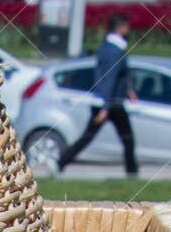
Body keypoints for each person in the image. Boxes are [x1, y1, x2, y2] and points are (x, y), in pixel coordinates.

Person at [57, 14, 138, 177]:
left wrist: (128, 89)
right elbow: (110, 78)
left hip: (108, 101)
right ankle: (132, 173)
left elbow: (120, 75)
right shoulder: (114, 51)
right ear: (120, 27)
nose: (128, 29)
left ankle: (62, 162)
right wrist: (105, 107)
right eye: (126, 26)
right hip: (110, 103)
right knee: (126, 138)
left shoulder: (109, 47)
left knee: (93, 136)